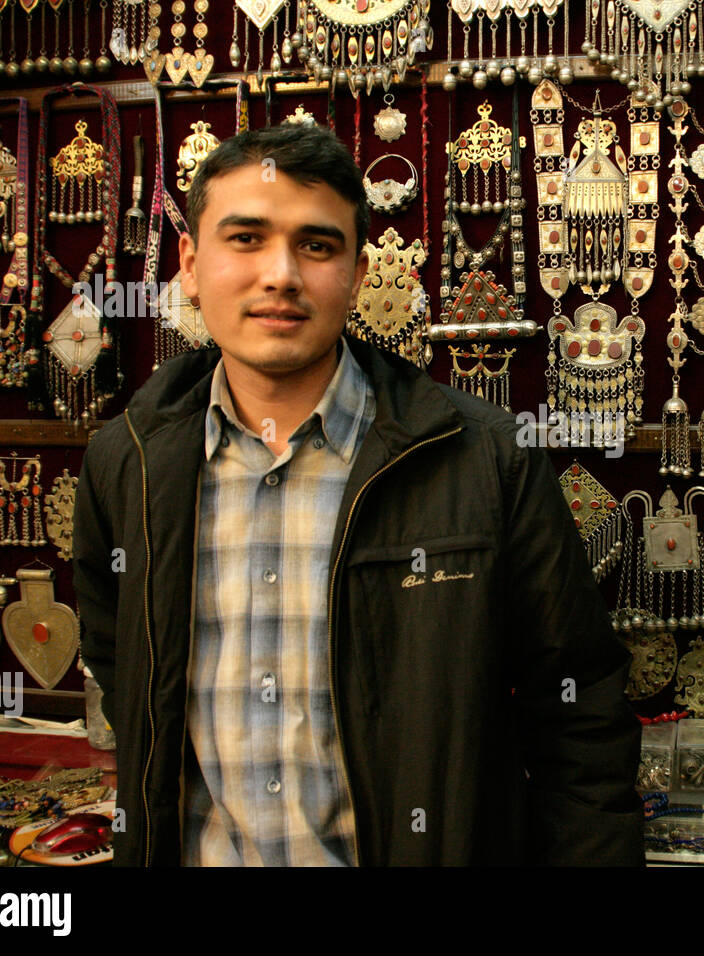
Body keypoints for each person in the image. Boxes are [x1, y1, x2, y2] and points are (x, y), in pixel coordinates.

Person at [73, 124, 643, 866]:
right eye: (245, 238)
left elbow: (580, 717)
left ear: (358, 270)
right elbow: (123, 667)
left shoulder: (484, 459)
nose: (280, 274)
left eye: (317, 246)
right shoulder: (129, 460)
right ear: (189, 262)